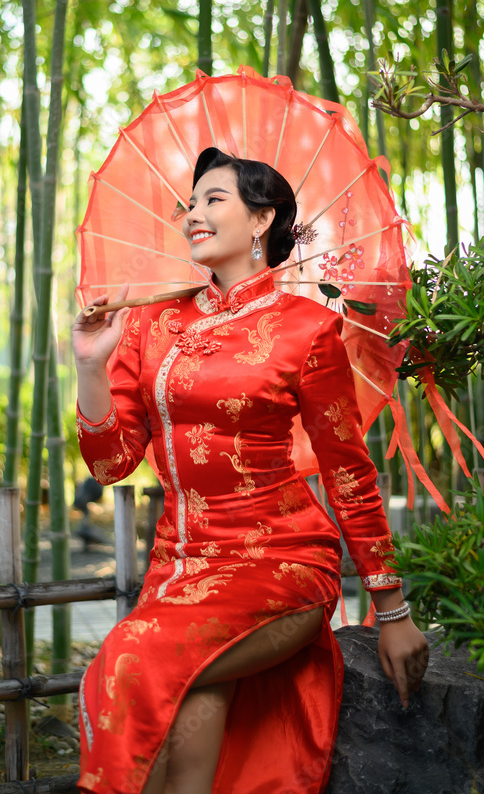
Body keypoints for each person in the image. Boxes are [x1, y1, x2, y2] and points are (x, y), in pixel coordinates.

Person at [72, 147, 429, 794]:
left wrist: (390, 608)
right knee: (185, 690)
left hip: (279, 561)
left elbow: (347, 471)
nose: (193, 215)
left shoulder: (306, 329)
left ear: (261, 220)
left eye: (214, 200)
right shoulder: (152, 323)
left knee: (127, 662)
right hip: (179, 567)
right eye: (190, 203)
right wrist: (91, 365)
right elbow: (110, 462)